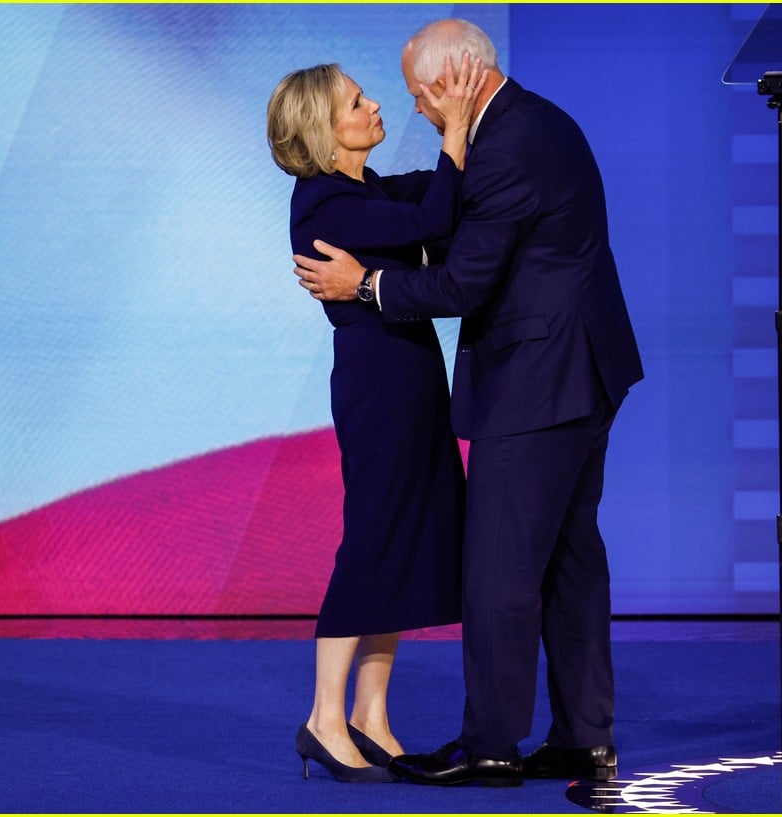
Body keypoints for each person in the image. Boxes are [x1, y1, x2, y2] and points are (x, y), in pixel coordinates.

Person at [293, 19, 643, 787]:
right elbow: (442, 224)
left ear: (454, 81)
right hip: (577, 372)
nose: (413, 109)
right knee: (568, 561)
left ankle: (490, 743)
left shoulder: (507, 146)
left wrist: (368, 285)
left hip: (539, 381)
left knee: (498, 567)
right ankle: (584, 737)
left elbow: (462, 283)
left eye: (421, 94)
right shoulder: (532, 123)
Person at [266, 55, 486, 783]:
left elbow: (422, 198)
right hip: (378, 386)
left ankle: (371, 714)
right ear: (325, 132)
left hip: (412, 374)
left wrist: (467, 144)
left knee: (406, 540)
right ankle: (324, 719)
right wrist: (453, 132)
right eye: (357, 102)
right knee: (372, 541)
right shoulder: (324, 202)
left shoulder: (361, 188)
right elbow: (433, 215)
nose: (375, 107)